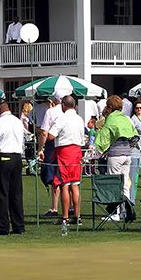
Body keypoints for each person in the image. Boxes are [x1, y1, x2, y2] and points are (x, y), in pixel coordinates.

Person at [0, 97, 25, 235]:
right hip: (17, 158)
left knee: (1, 194)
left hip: (2, 158)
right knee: (16, 194)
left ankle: (3, 227)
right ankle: (19, 226)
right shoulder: (18, 122)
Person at [94, 95, 138, 220]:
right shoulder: (125, 118)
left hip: (116, 155)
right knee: (125, 184)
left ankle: (115, 213)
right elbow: (135, 135)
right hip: (127, 154)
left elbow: (103, 138)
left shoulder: (111, 119)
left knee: (115, 183)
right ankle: (126, 211)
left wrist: (99, 148)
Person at [47, 95, 85, 234]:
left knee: (64, 184)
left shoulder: (62, 118)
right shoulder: (79, 119)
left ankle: (65, 217)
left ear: (63, 105)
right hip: (76, 150)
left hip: (64, 151)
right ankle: (77, 215)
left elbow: (51, 135)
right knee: (75, 184)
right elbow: (82, 137)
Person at [37, 91, 64, 219]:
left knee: (54, 177)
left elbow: (44, 132)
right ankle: (68, 207)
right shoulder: (71, 113)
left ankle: (54, 208)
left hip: (53, 146)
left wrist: (40, 149)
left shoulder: (51, 112)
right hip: (67, 146)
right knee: (67, 178)